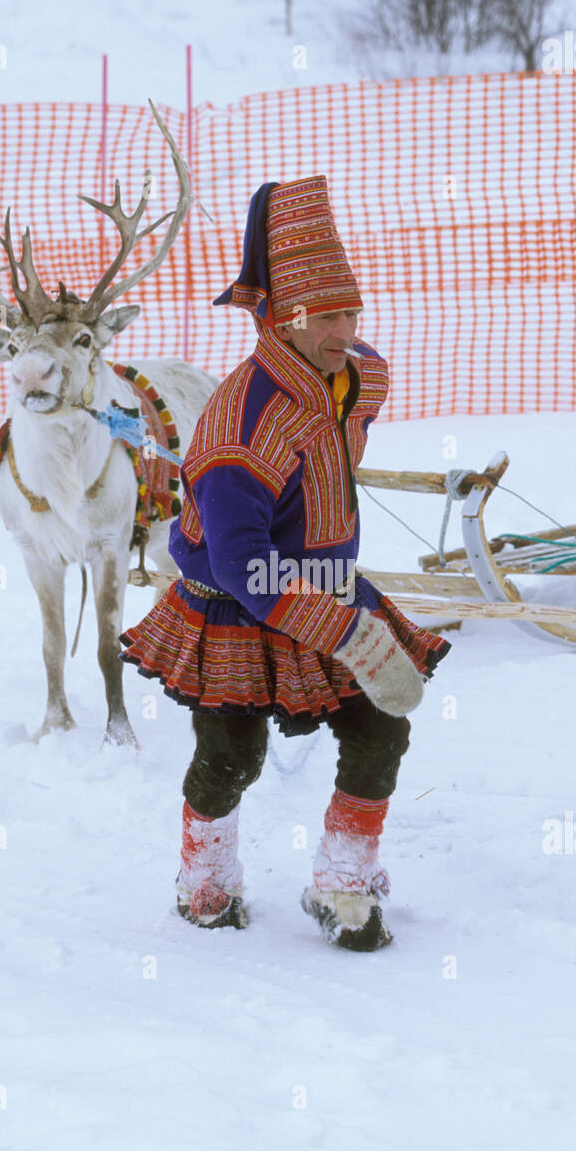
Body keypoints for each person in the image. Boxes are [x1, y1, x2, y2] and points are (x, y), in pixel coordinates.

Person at [118, 174, 450, 951]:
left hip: (325, 581)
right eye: (324, 316)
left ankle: (342, 881)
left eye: (350, 311)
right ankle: (205, 880)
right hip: (234, 601)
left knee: (381, 726)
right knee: (233, 755)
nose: (344, 329)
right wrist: (354, 636)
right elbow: (246, 570)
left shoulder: (352, 375)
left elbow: (364, 375)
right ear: (279, 322)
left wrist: (343, 614)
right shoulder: (241, 432)